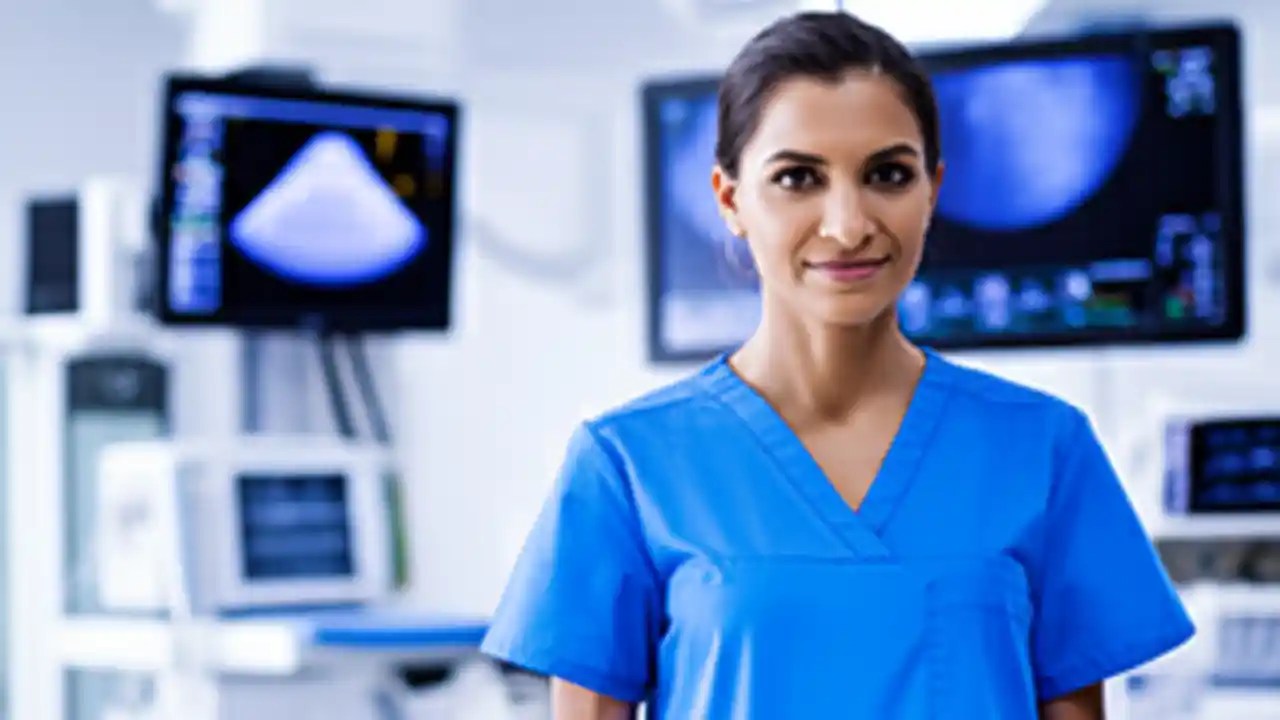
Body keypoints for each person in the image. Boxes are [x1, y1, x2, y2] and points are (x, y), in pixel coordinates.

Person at [480, 11, 1194, 719]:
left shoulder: (1043, 450)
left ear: (932, 192)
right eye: (798, 179)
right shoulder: (628, 464)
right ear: (731, 200)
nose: (848, 225)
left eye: (887, 174)